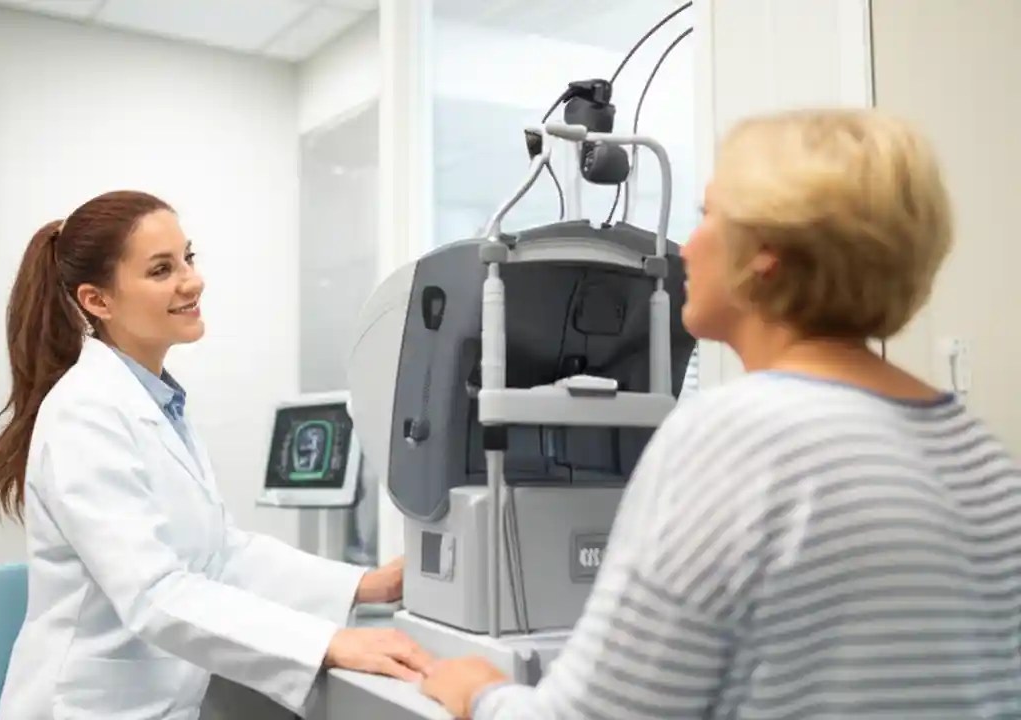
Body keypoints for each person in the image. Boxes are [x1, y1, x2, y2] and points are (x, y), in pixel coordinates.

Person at [421, 108, 1021, 718]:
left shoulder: (737, 440)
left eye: (708, 216)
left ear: (764, 252)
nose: (690, 245)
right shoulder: (981, 457)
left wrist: (479, 692)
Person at [0, 190, 433, 720]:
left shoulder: (154, 400)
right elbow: (154, 593)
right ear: (97, 301)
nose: (192, 281)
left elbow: (222, 553)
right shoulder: (86, 414)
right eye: (160, 270)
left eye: (187, 259)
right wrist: (327, 643)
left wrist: (365, 584)